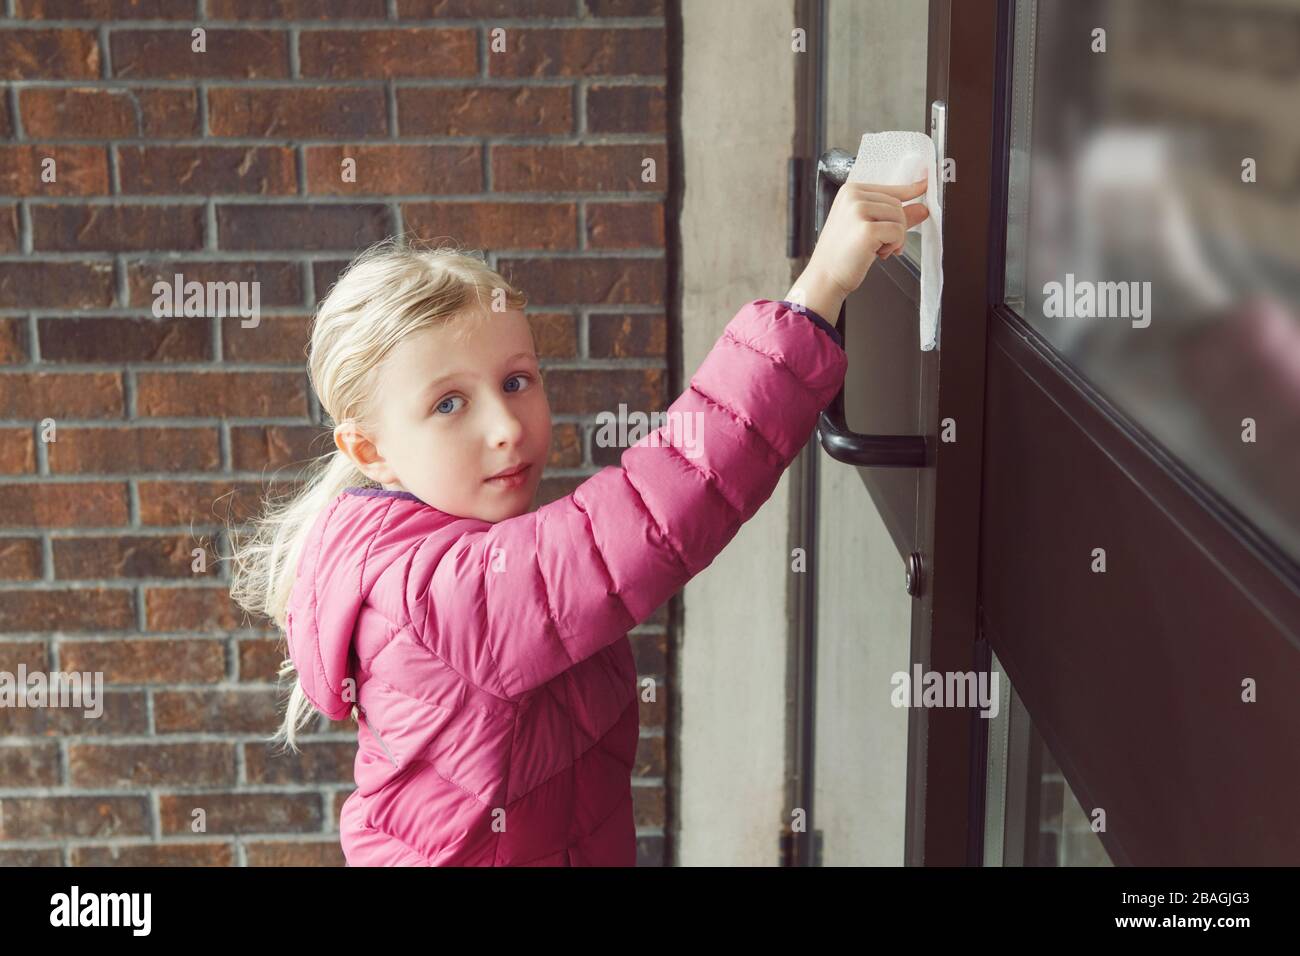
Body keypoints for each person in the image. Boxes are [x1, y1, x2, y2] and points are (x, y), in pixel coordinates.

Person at [226, 177, 929, 866]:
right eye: (448, 404)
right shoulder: (435, 591)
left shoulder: (427, 548)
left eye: (515, 381)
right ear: (371, 450)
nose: (505, 425)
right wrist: (817, 294)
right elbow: (657, 508)